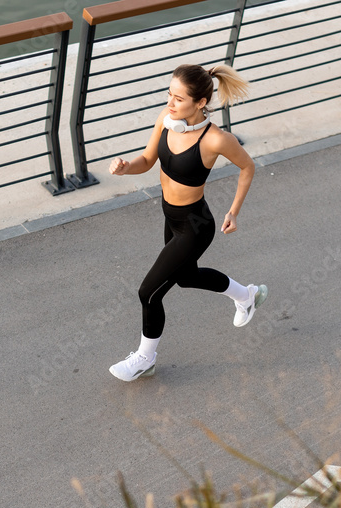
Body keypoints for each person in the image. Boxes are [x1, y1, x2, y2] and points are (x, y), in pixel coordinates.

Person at [107, 63, 266, 382]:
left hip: (195, 225)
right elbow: (147, 160)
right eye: (169, 95)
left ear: (200, 103)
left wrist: (233, 211)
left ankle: (144, 359)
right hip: (171, 217)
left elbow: (247, 168)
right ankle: (246, 296)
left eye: (178, 98)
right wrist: (126, 168)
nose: (170, 103)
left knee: (149, 292)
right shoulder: (166, 123)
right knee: (186, 277)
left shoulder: (216, 140)